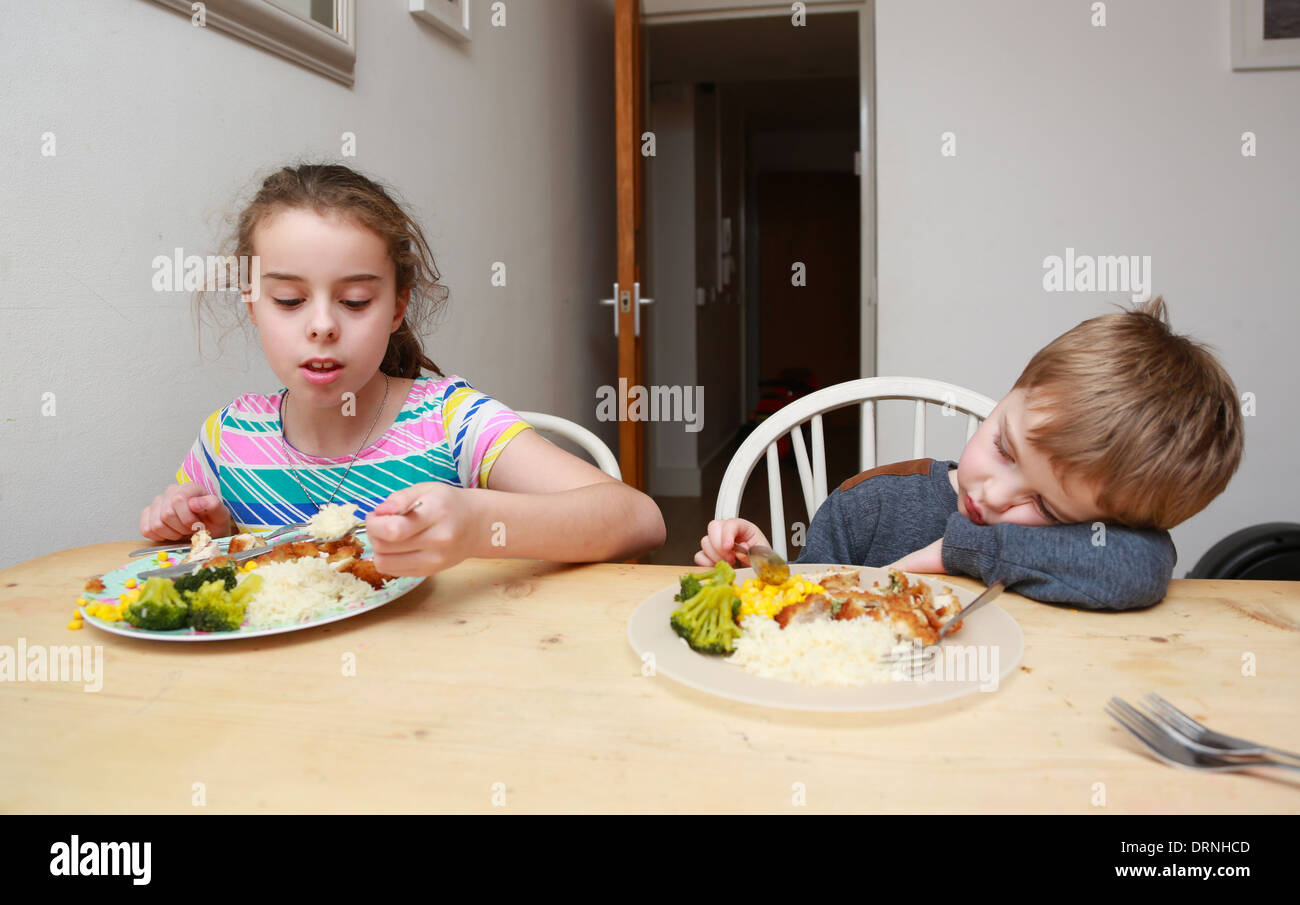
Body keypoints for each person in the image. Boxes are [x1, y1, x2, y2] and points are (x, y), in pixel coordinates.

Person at [140, 163, 665, 576]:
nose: (322, 326)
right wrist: (206, 529)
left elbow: (640, 520)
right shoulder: (226, 441)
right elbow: (185, 566)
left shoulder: (450, 424)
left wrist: (479, 522)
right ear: (252, 302)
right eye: (290, 299)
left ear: (396, 307)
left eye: (355, 300)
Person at [695, 297, 1244, 609]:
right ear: (1010, 392)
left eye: (1047, 509)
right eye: (1004, 448)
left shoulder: (1102, 547)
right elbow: (809, 610)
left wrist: (959, 552)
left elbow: (1142, 570)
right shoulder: (868, 508)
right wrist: (766, 572)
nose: (995, 495)